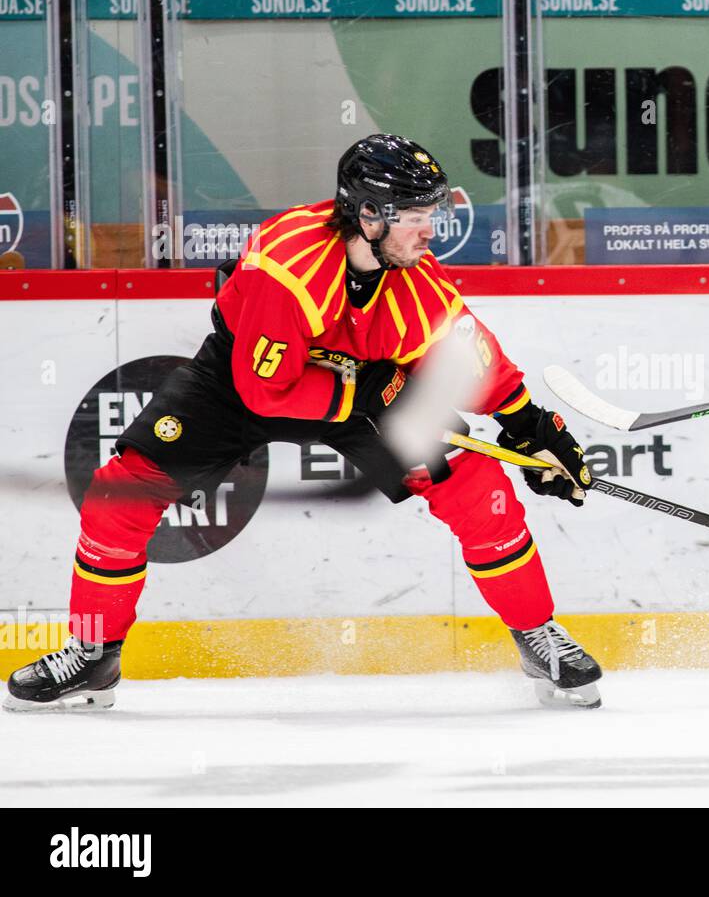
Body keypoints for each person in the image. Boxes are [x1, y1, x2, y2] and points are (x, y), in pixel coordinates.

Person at [6, 134, 604, 712]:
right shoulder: (287, 266)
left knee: (476, 487)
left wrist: (532, 427)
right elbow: (266, 392)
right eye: (414, 215)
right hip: (240, 382)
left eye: (431, 212)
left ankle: (538, 636)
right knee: (119, 497)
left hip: (360, 386)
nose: (430, 229)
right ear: (369, 214)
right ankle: (93, 653)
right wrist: (359, 389)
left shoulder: (419, 281)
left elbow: (471, 359)